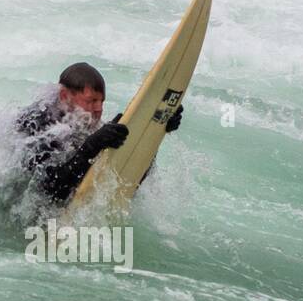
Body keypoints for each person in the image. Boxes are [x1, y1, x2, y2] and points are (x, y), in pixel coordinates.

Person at [16, 62, 182, 207]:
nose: (98, 109)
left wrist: (152, 133)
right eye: (91, 101)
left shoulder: (82, 124)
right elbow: (49, 191)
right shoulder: (38, 124)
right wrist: (93, 145)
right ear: (65, 96)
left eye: (101, 102)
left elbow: (127, 180)